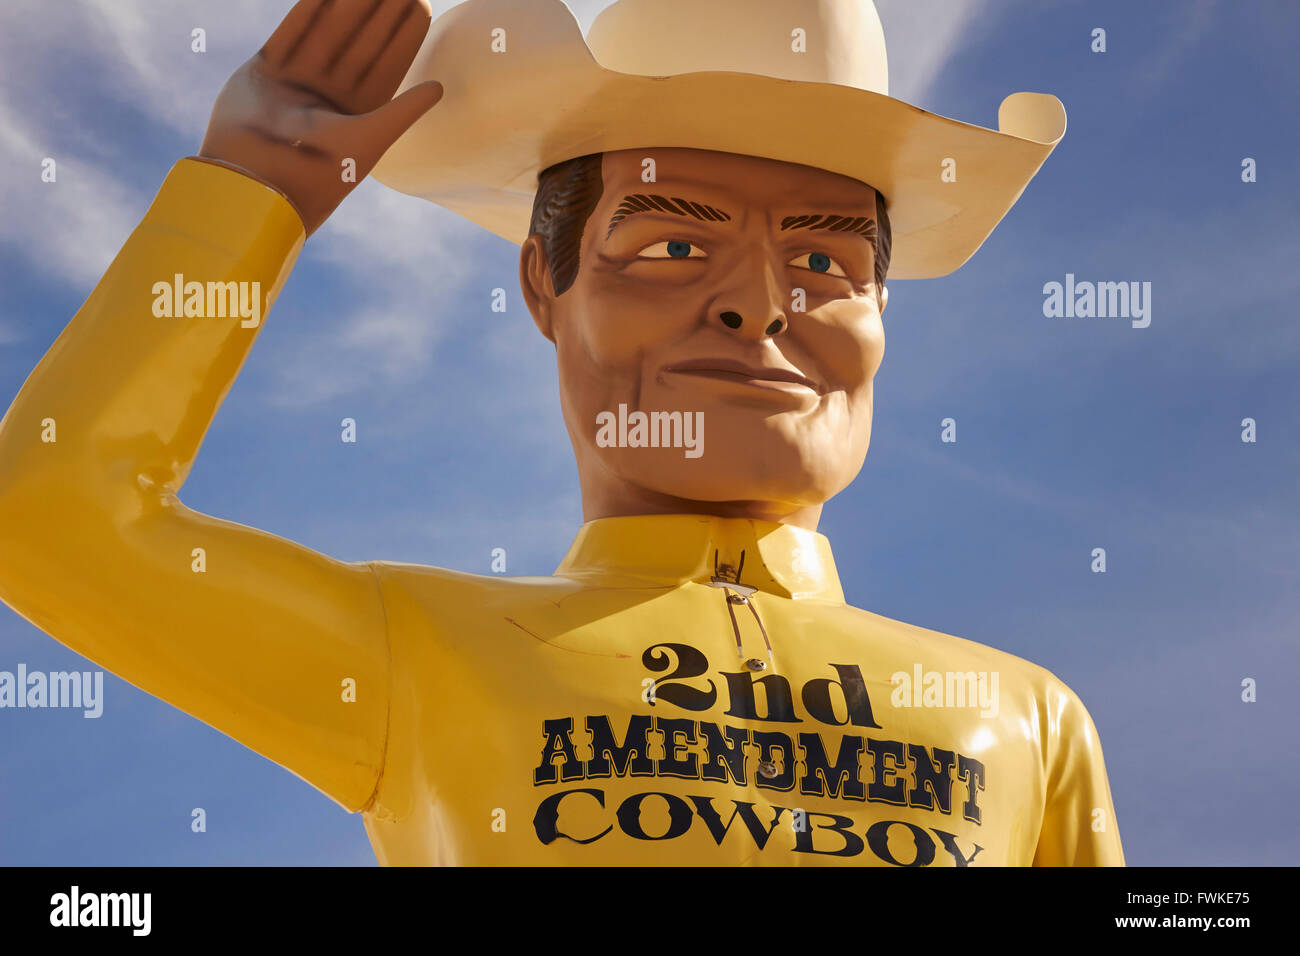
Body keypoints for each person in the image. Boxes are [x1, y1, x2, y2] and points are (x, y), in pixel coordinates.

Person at [0, 0, 1122, 865]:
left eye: (827, 262)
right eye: (674, 247)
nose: (761, 305)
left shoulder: (1026, 715)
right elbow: (53, 517)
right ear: (544, 285)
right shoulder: (422, 653)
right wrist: (248, 196)